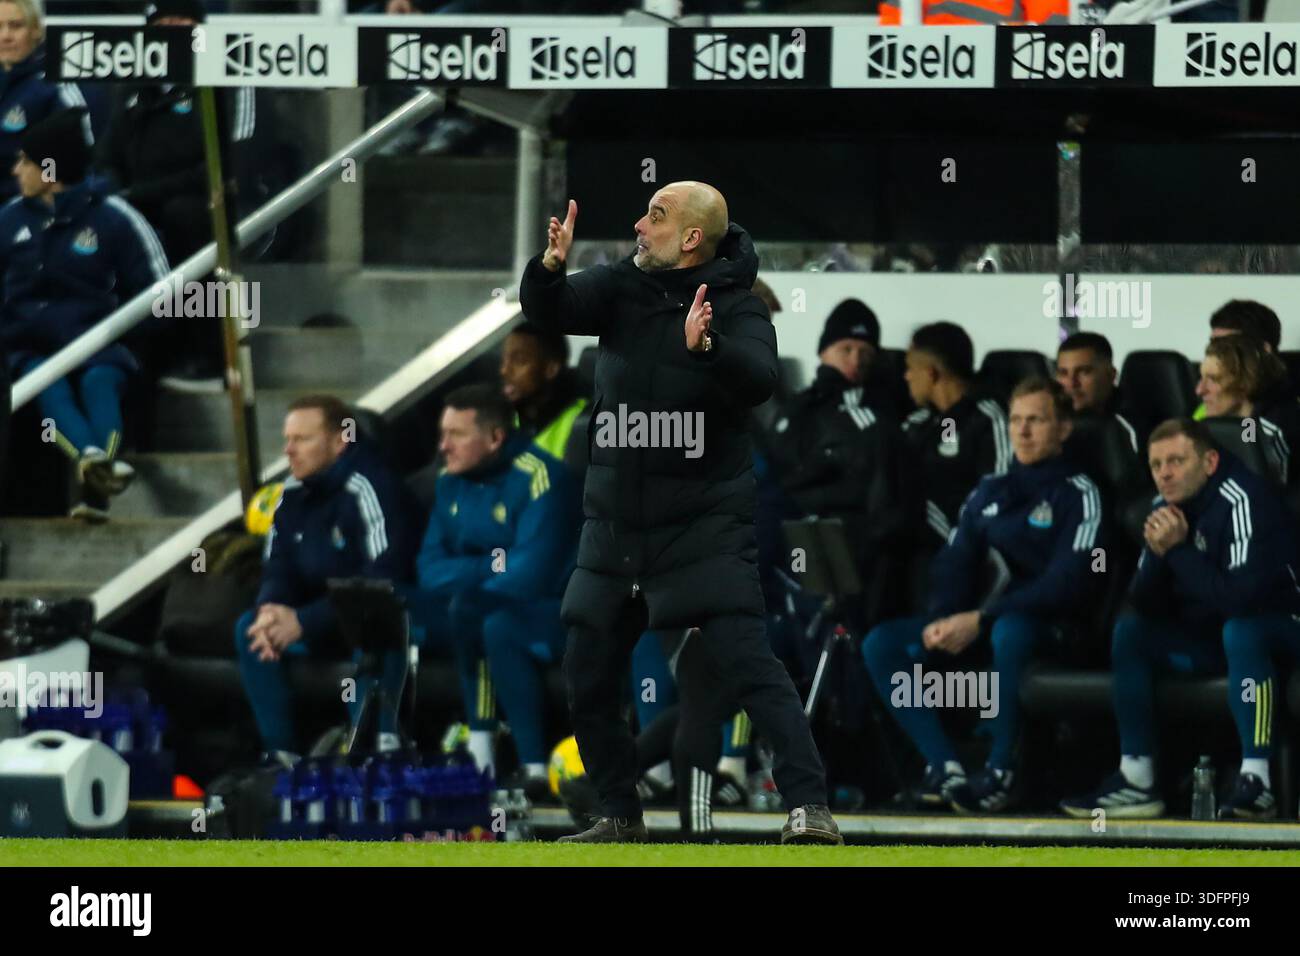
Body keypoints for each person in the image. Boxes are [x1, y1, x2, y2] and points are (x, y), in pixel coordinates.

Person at [520, 182, 841, 845]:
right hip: (613, 529)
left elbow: (758, 376)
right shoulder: (620, 286)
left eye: (656, 217)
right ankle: (618, 814)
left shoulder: (737, 306)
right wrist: (548, 270)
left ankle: (809, 810)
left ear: (692, 238)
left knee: (750, 666)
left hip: (702, 528)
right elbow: (552, 310)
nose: (639, 224)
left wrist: (707, 351)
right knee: (587, 668)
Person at [863, 379, 1104, 814]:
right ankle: (946, 768)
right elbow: (952, 563)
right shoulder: (989, 489)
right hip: (982, 621)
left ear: (1064, 429)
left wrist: (983, 617)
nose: (1023, 431)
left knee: (1010, 632)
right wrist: (944, 618)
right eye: (1016, 420)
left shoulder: (1080, 492)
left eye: (1037, 420)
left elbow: (1068, 583)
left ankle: (999, 771)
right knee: (881, 643)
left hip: (1053, 629)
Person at [1061, 419, 1300, 820]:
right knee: (1132, 634)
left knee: (1242, 630)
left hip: (1280, 628)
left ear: (1209, 462)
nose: (1165, 473)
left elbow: (1240, 600)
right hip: (1215, 638)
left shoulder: (1242, 499)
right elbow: (1143, 601)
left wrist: (1177, 553)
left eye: (1176, 460)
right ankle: (1136, 778)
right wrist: (1158, 554)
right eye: (1156, 465)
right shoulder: (1162, 508)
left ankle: (1257, 782)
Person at [0, 107, 168, 521]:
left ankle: (94, 465)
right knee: (50, 386)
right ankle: (99, 466)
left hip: (99, 343)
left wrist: (127, 334)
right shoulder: (8, 220)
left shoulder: (113, 217)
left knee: (100, 380)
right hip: (30, 346)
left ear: (51, 170)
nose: (15, 170)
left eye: (26, 161)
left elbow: (161, 289)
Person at [234, 395, 421, 759]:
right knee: (250, 628)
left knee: (374, 624)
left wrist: (304, 621)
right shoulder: (290, 492)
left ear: (340, 440)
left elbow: (383, 580)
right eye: (287, 440)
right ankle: (281, 756)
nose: (289, 451)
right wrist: (272, 607)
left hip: (372, 618)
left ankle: (371, 752)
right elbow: (278, 565)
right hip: (319, 622)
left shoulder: (370, 486)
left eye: (302, 439)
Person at [414, 384, 580, 794]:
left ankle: (520, 764)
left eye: (455, 435)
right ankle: (379, 755)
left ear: (494, 438)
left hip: (552, 611)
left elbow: (531, 574)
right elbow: (428, 569)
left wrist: (471, 575)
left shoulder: (542, 477)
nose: (443, 446)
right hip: (480, 604)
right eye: (442, 433)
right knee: (390, 613)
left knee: (489, 621)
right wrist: (489, 562)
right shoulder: (448, 482)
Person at [98, 0, 257, 392]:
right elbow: (106, 156)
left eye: (180, 21)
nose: (171, 30)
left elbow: (231, 165)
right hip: (142, 202)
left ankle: (209, 356)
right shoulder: (135, 87)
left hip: (216, 201)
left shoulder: (227, 77)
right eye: (162, 22)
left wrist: (139, 194)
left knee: (186, 218)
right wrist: (117, 196)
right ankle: (130, 357)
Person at [764, 300, 904, 629]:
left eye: (866, 354)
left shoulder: (873, 417)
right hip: (786, 523)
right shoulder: (796, 408)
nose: (856, 360)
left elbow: (870, 490)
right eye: (847, 349)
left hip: (833, 534)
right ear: (825, 351)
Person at [901, 321, 1010, 552]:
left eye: (910, 367)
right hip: (908, 543)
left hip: (962, 549)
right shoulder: (918, 423)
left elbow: (998, 494)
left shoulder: (989, 418)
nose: (907, 376)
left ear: (931, 373)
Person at [0, 0, 89, 202]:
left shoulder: (53, 86)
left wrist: (44, 191)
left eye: (16, 26)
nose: (5, 36)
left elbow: (72, 157)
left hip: (24, 200)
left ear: (36, 31)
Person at [1197, 334, 1297, 488]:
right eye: (1201, 377)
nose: (1199, 390)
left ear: (1245, 383)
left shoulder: (1265, 430)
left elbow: (1275, 498)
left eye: (1214, 379)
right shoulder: (1212, 421)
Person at [499, 321, 587, 465]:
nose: (504, 371)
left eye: (519, 360)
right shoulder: (509, 419)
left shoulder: (582, 424)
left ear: (550, 369)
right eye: (504, 360)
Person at [1193, 300, 1286, 420]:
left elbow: (1249, 436)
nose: (1199, 390)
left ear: (1263, 351)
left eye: (1226, 347)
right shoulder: (1208, 406)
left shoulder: (1284, 418)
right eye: (1213, 343)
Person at [1055, 331, 1145, 454]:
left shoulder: (1129, 428)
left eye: (1084, 372)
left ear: (1111, 375)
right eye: (1063, 373)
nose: (1072, 383)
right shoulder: (1046, 421)